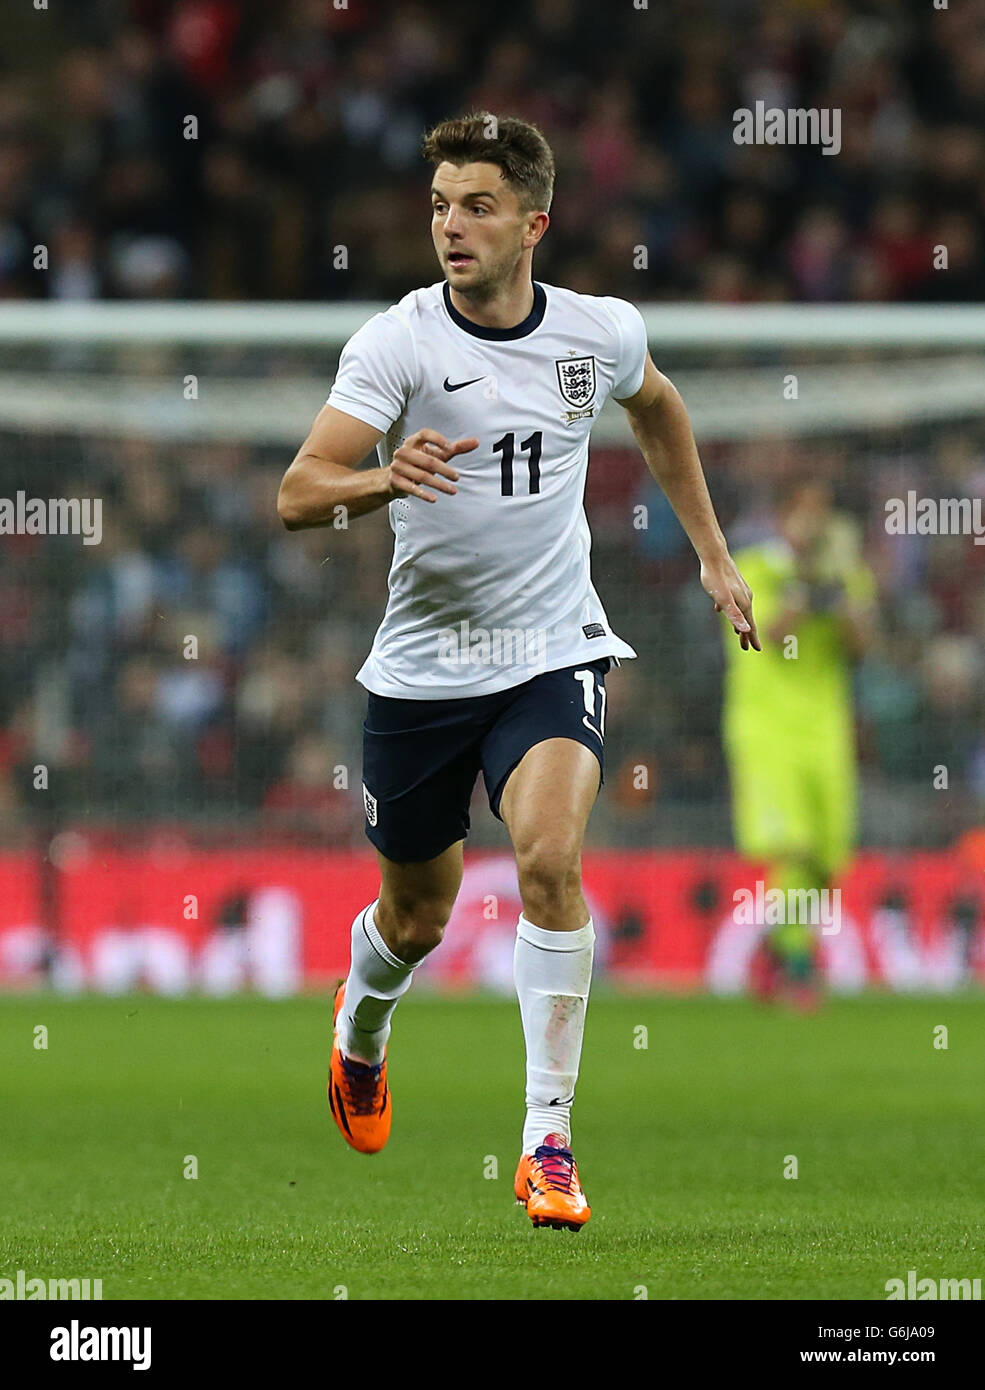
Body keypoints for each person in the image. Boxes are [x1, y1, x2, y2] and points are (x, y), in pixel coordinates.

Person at [278, 111, 758, 1231]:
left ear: (534, 222)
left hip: (552, 650)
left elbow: (661, 412)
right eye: (441, 203)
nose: (451, 224)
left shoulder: (596, 333)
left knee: (547, 860)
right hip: (422, 670)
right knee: (416, 915)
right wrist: (383, 480)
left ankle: (546, 1140)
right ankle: (361, 1026)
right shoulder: (397, 344)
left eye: (478, 205)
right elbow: (299, 492)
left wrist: (713, 555)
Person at [721, 478, 875, 1007]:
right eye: (808, 512)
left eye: (824, 513)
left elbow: (861, 649)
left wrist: (840, 598)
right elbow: (764, 638)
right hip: (767, 728)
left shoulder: (845, 573)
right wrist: (805, 588)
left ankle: (774, 947)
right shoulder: (753, 568)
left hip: (827, 729)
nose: (817, 525)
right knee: (794, 847)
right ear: (785, 517)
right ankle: (798, 967)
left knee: (828, 860)